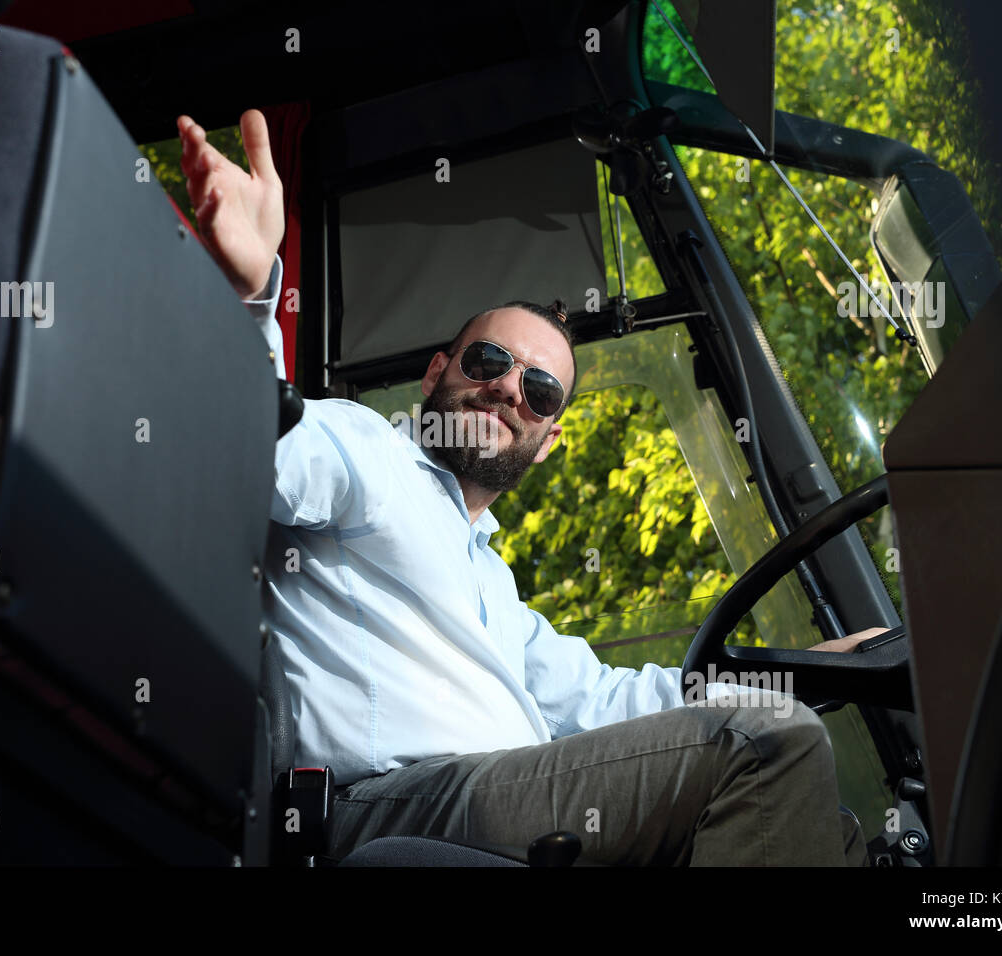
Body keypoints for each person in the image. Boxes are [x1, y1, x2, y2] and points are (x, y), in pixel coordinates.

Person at [177, 110, 886, 865]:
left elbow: (615, 700)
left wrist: (808, 667)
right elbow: (258, 452)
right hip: (392, 809)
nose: (509, 388)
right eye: (488, 359)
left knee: (832, 827)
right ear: (435, 375)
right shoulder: (366, 453)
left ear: (548, 441)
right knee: (763, 744)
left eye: (541, 389)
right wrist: (254, 295)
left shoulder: (494, 588)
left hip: (491, 807)